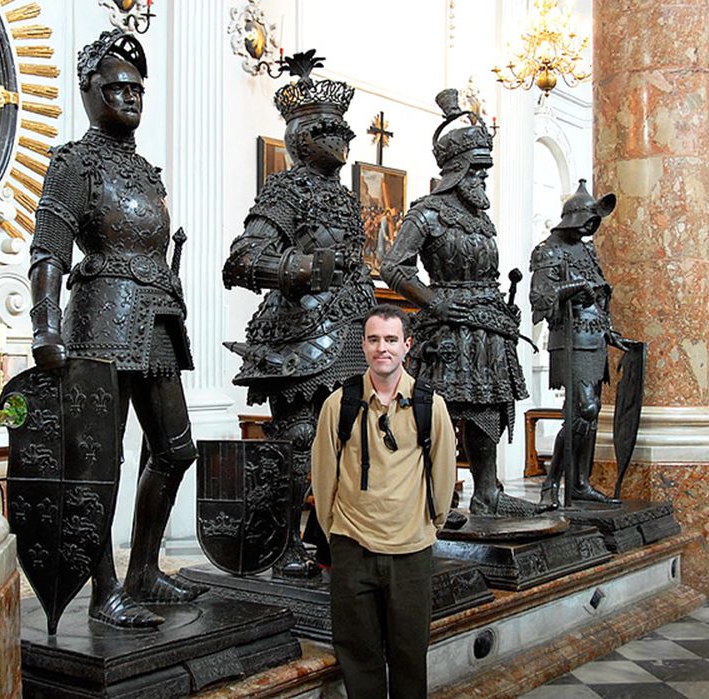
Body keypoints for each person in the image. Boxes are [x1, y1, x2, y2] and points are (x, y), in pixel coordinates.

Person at [28, 29, 205, 627]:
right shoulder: (73, 163)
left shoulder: (146, 171)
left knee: (176, 450)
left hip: (155, 318)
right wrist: (45, 323)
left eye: (137, 89)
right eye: (118, 87)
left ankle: (145, 571)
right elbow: (48, 248)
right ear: (91, 92)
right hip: (102, 318)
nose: (130, 97)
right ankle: (104, 593)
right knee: (100, 462)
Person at [223, 50, 374, 577]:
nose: (343, 138)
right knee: (299, 439)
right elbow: (243, 258)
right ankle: (280, 543)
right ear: (303, 136)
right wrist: (296, 268)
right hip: (301, 334)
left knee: (354, 438)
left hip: (352, 330)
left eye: (344, 129)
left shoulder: (348, 198)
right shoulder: (287, 188)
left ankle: (331, 538)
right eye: (331, 129)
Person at [380, 88, 533, 517]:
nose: (483, 181)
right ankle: (436, 495)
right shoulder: (427, 213)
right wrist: (434, 303)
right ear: (458, 170)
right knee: (438, 411)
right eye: (478, 173)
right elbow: (394, 266)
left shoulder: (481, 219)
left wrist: (504, 308)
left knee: (487, 408)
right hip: (447, 324)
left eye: (485, 174)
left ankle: (488, 492)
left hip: (488, 325)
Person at [311, 304, 456, 699]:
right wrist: (337, 532)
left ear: (407, 345)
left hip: (410, 549)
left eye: (391, 340)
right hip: (353, 547)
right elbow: (324, 477)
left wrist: (428, 525)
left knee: (409, 657)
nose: (382, 349)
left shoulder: (431, 405)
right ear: (363, 345)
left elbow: (443, 476)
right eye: (374, 340)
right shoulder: (338, 405)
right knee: (359, 658)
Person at [529, 179, 628, 509]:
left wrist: (610, 330)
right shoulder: (548, 251)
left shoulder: (586, 250)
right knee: (582, 410)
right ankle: (552, 483)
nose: (591, 228)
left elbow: (602, 295)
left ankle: (579, 482)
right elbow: (540, 299)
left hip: (594, 335)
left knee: (588, 414)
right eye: (587, 220)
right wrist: (573, 288)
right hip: (568, 337)